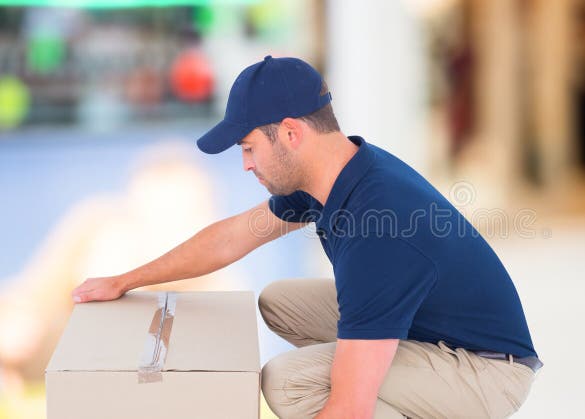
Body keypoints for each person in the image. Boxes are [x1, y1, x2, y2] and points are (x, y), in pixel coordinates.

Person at [71, 55, 543, 419]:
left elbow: (350, 409)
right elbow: (230, 238)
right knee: (278, 301)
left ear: (291, 134)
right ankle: (389, 372)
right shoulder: (332, 175)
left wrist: (349, 385)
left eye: (250, 148)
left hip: (484, 370)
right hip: (432, 328)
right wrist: (126, 280)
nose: (245, 165)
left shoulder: (376, 227)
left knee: (288, 383)